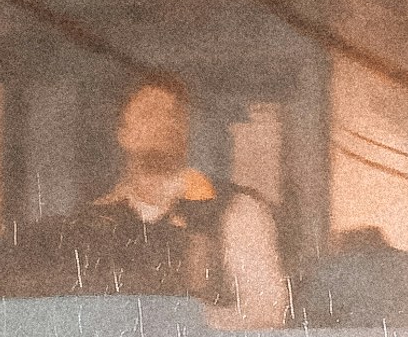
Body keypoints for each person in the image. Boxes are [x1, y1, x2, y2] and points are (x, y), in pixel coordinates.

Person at [86, 74, 283, 322]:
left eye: (175, 115)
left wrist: (185, 325)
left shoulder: (236, 209)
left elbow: (267, 310)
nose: (165, 124)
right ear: (123, 133)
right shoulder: (94, 220)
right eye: (149, 114)